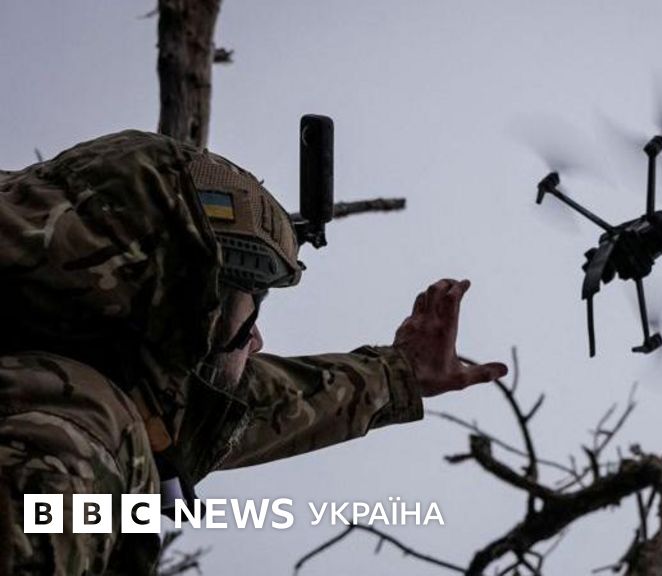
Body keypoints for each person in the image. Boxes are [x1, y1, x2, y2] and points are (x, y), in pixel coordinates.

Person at [0, 130, 508, 575]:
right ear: (190, 311)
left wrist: (396, 375)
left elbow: (239, 403)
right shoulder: (72, 434)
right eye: (252, 307)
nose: (258, 341)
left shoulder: (57, 363)